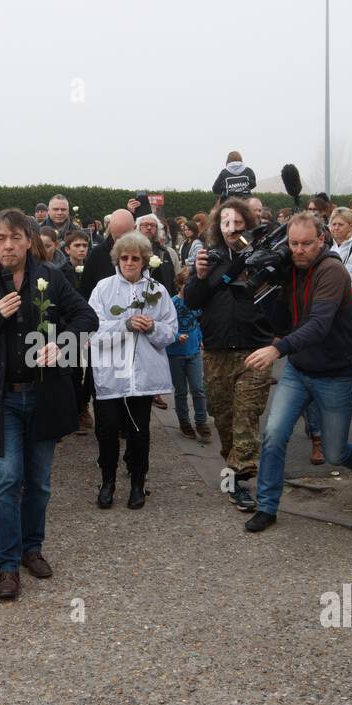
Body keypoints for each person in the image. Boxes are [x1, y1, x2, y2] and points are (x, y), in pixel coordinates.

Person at [0, 209, 98, 600]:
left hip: (44, 396)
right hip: (0, 399)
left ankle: (32, 549)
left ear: (28, 240)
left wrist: (62, 342)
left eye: (15, 237)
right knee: (5, 481)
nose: (7, 245)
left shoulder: (51, 278)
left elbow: (87, 317)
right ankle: (6, 565)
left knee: (38, 482)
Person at [243, 213, 352, 532]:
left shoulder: (331, 271)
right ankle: (267, 506)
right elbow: (279, 317)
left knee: (335, 452)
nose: (299, 250)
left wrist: (278, 349)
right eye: (293, 244)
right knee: (274, 435)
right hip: (298, 369)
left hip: (335, 373)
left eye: (306, 243)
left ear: (321, 239)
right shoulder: (290, 268)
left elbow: (319, 325)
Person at [183, 199, 273, 512]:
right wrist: (198, 274)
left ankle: (239, 476)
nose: (232, 229)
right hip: (216, 351)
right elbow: (193, 300)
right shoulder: (210, 257)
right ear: (217, 226)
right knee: (223, 418)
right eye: (225, 223)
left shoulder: (260, 254)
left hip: (254, 349)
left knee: (246, 415)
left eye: (237, 223)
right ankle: (234, 476)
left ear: (247, 223)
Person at [87, 231, 176, 509]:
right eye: (124, 257)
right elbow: (92, 329)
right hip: (111, 374)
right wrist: (124, 325)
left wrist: (153, 327)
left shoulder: (157, 291)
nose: (129, 263)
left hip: (143, 376)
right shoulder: (103, 288)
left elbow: (171, 331)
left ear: (144, 261)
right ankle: (108, 481)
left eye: (135, 258)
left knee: (139, 431)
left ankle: (138, 482)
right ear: (116, 259)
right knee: (108, 429)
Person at [167, 267, 208, 440]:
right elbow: (164, 326)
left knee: (198, 389)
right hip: (175, 354)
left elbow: (199, 322)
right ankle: (184, 422)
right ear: (179, 285)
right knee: (181, 391)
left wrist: (201, 338)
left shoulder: (197, 302)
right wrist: (176, 336)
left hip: (194, 352)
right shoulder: (172, 303)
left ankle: (201, 421)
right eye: (186, 284)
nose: (189, 287)